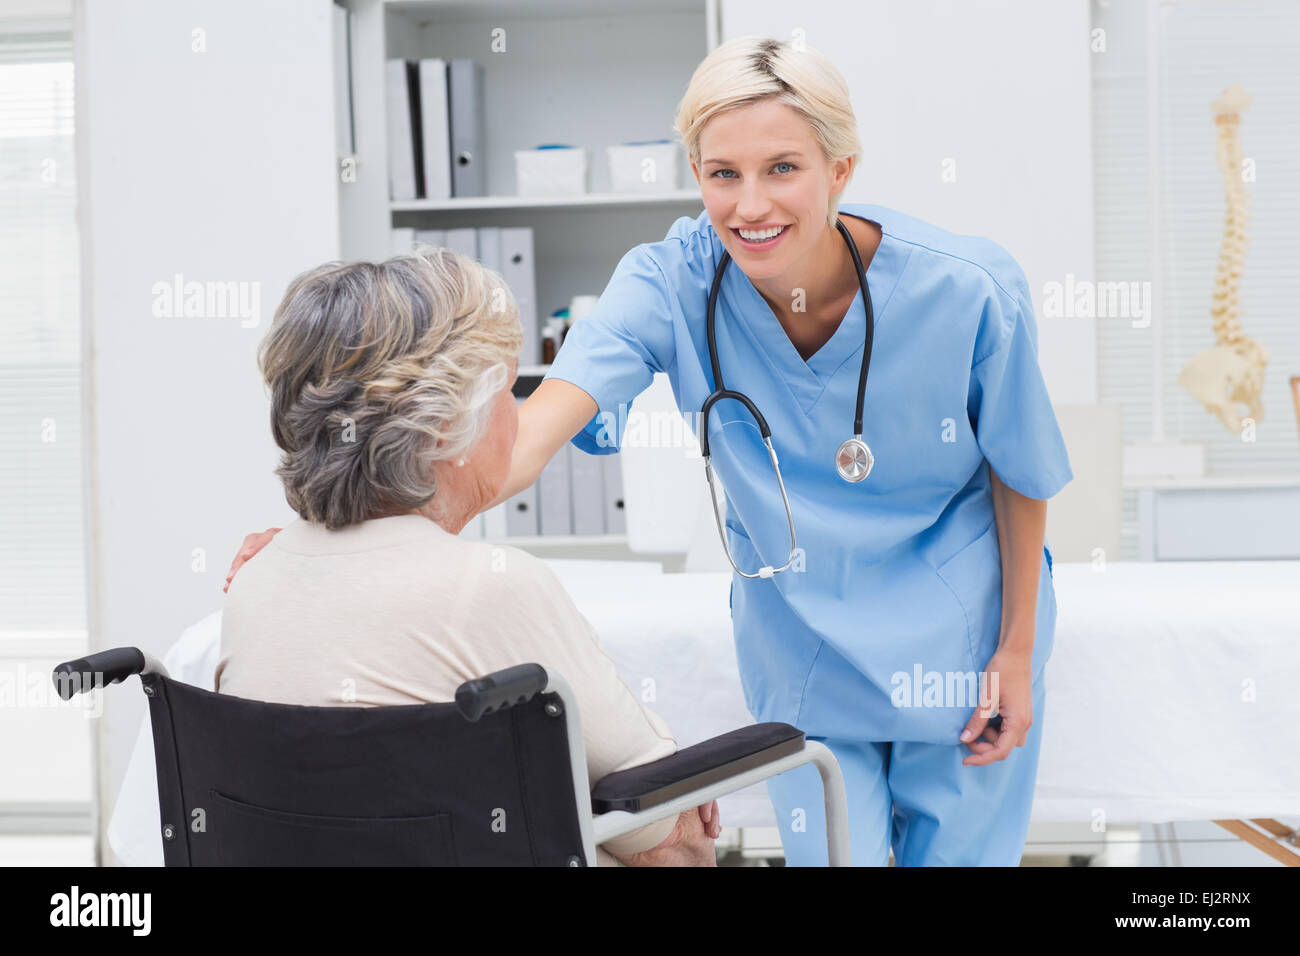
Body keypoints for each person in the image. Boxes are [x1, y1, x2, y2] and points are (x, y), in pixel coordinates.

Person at [486, 36, 1073, 865]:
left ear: (841, 169)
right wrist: (344, 522)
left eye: (783, 168)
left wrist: (1016, 650)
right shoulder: (669, 284)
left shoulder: (964, 288)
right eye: (722, 173)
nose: (749, 206)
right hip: (804, 655)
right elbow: (525, 442)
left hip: (960, 647)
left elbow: (1022, 470)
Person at [219, 247, 719, 867]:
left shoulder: (254, 580)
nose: (519, 416)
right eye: (510, 390)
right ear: (441, 432)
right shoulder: (493, 588)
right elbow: (666, 829)